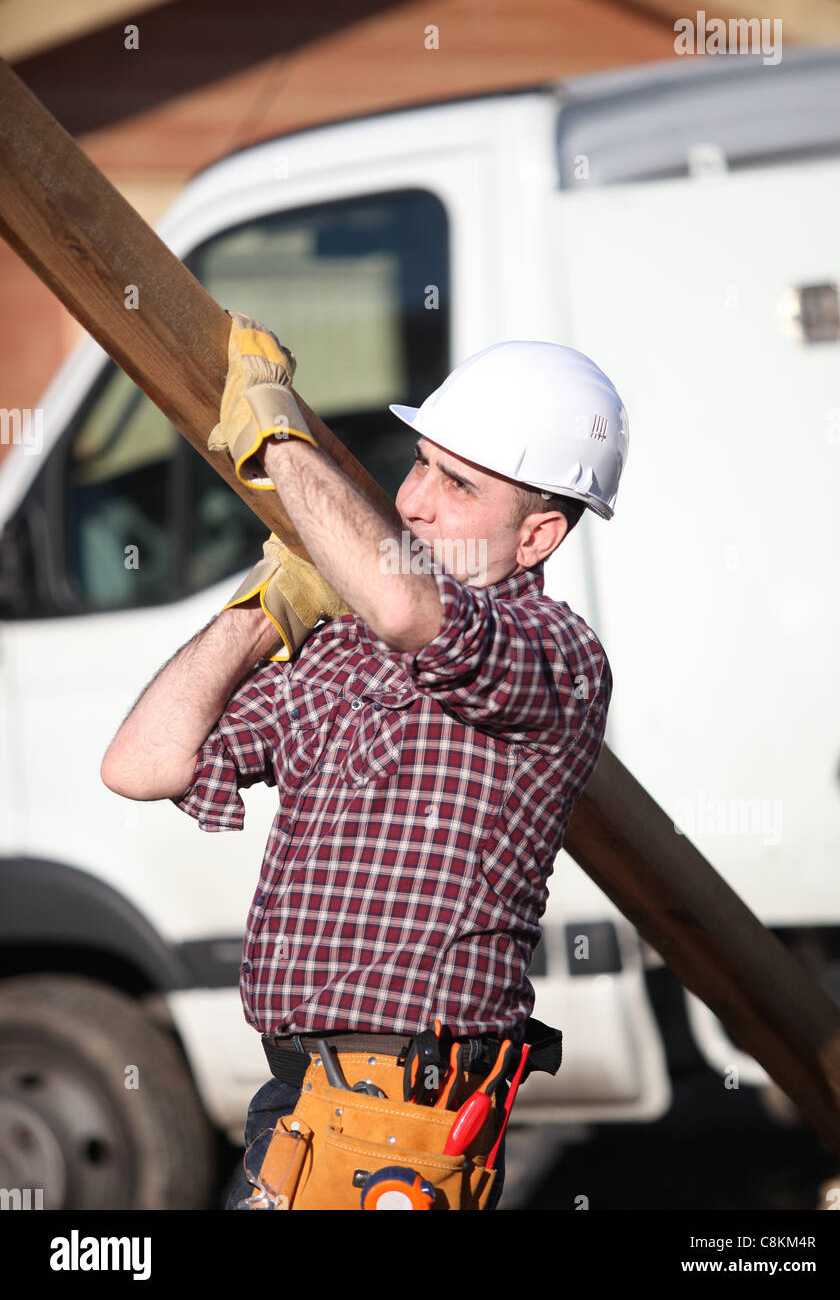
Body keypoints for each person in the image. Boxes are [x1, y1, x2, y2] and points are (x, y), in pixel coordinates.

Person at [101, 316, 629, 1211]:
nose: (415, 498)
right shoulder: (348, 652)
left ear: (536, 538)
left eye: (456, 484)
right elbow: (144, 762)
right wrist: (265, 605)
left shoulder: (556, 656)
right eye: (420, 462)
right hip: (299, 1100)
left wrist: (275, 434)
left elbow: (404, 608)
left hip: (400, 1111)